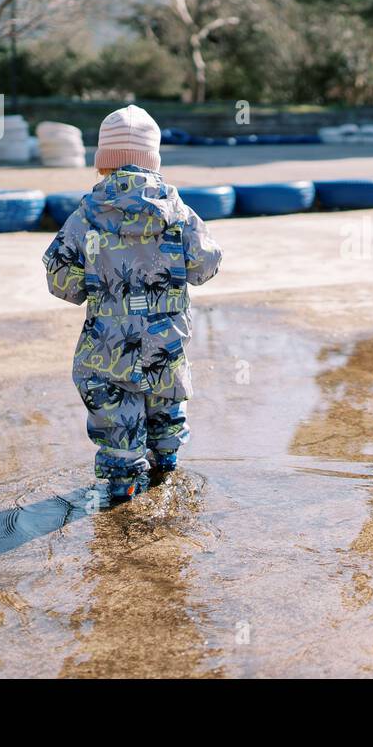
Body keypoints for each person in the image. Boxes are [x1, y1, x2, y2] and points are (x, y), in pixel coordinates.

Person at [43, 105, 222, 502]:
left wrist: (92, 282)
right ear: (153, 161)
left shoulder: (85, 216)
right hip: (165, 345)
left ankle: (123, 489)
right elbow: (205, 265)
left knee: (117, 423)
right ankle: (166, 473)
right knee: (166, 411)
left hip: (109, 345)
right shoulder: (178, 213)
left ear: (103, 164)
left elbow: (60, 278)